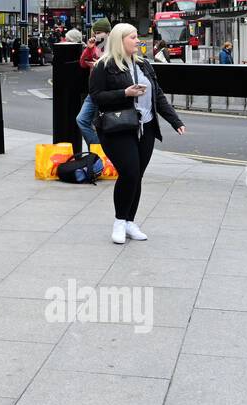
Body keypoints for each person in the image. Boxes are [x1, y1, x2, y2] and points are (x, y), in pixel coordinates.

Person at [90, 23, 186, 244]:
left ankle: (130, 222)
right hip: (118, 127)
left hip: (146, 127)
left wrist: (175, 121)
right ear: (120, 40)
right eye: (133, 37)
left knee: (137, 175)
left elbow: (158, 95)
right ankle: (119, 221)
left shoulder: (143, 64)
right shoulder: (104, 66)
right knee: (130, 172)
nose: (137, 41)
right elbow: (96, 97)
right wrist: (125, 92)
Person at [76, 18, 111, 146]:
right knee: (81, 120)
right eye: (96, 32)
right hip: (93, 92)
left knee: (102, 124)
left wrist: (98, 64)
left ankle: (101, 153)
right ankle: (98, 148)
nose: (97, 35)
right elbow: (82, 63)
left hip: (106, 92)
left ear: (108, 33)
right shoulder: (94, 47)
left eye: (100, 32)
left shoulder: (112, 47)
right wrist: (89, 49)